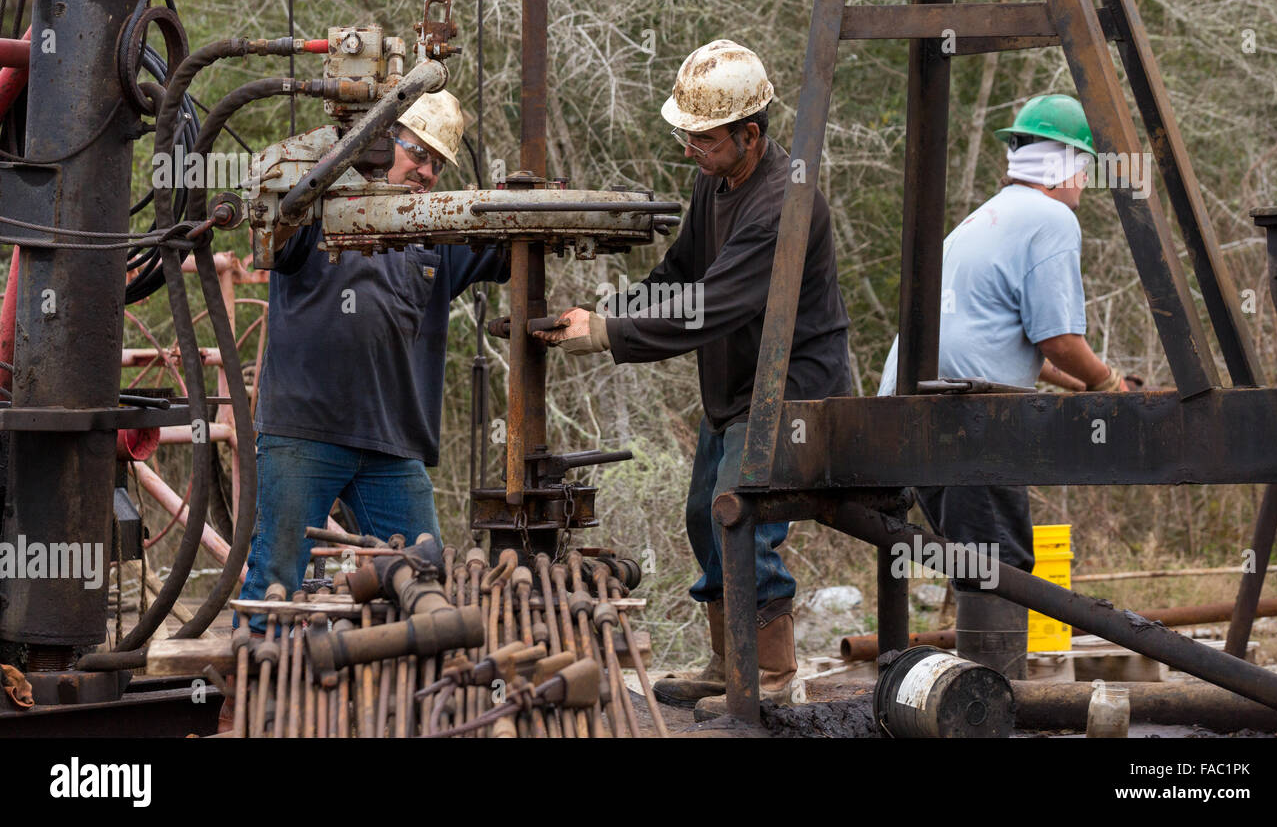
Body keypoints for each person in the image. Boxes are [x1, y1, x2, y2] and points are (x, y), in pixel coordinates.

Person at [534, 40, 852, 711]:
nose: (689, 151)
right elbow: (679, 276)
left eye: (702, 139)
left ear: (750, 135)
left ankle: (765, 671)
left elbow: (710, 305)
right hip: (736, 391)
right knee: (703, 517)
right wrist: (607, 312)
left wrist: (611, 336)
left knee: (741, 515)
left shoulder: (783, 204)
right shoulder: (716, 183)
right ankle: (726, 658)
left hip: (789, 392)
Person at [877, 93, 1130, 678]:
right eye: (1085, 169)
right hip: (964, 412)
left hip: (908, 404)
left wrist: (1080, 386)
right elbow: (1060, 340)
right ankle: (993, 703)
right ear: (1067, 164)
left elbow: (1023, 348)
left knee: (976, 555)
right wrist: (1108, 384)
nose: (1085, 184)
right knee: (995, 559)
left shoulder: (992, 214)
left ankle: (975, 697)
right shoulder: (1051, 219)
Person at [237, 89, 509, 631]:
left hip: (391, 445)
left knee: (421, 573)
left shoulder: (438, 230)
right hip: (303, 432)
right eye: (419, 154)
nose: (428, 172)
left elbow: (511, 239)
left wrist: (529, 200)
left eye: (438, 163)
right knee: (275, 577)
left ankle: (404, 706)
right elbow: (269, 216)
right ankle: (244, 708)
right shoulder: (317, 209)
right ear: (382, 143)